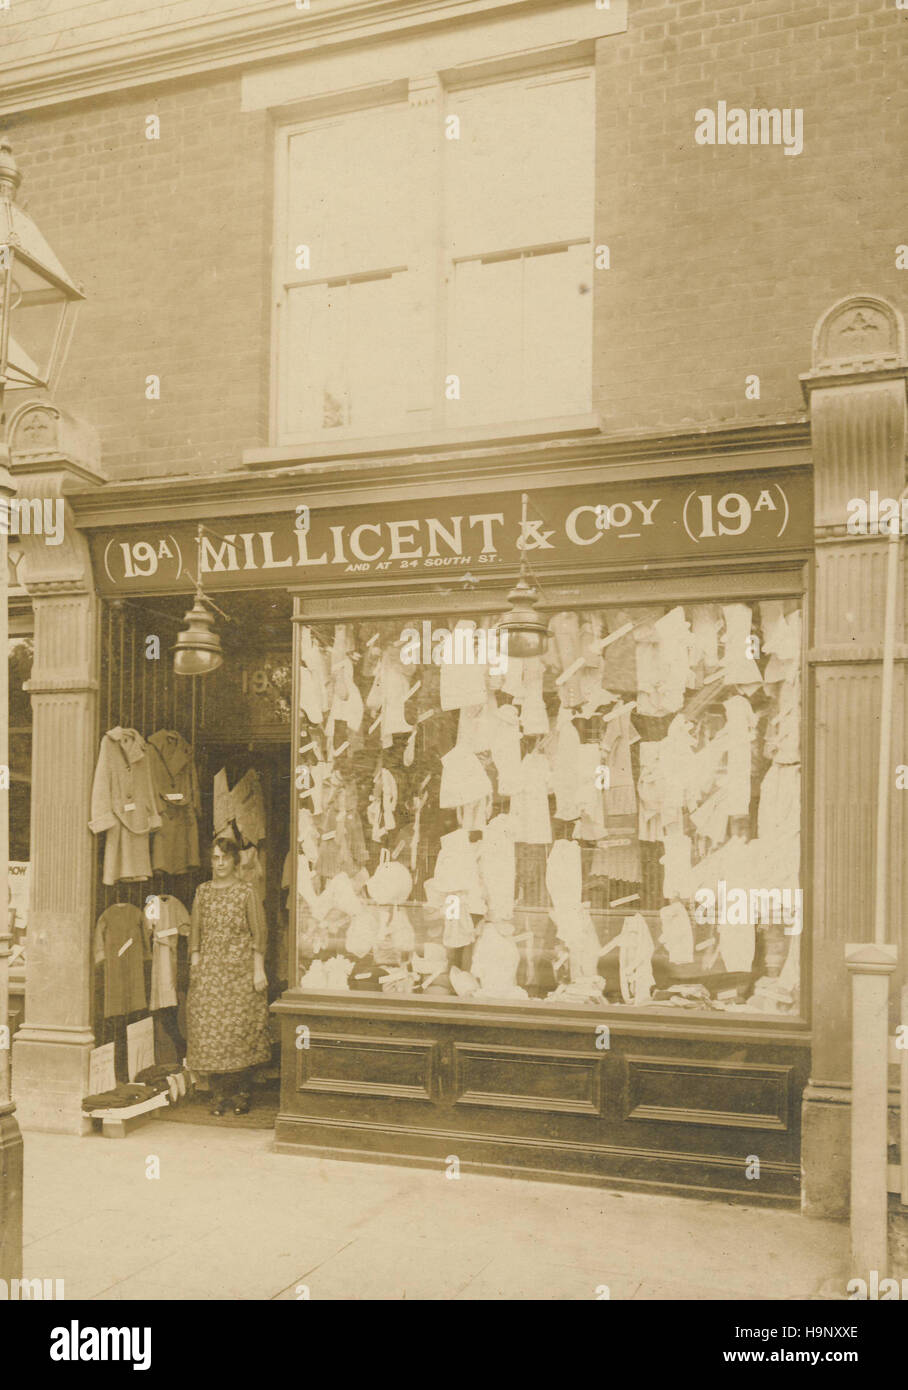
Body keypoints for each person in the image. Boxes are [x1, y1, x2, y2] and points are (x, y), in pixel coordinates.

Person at [187, 834, 271, 1116]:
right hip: (211, 974)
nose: (220, 863)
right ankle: (219, 1095)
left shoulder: (246, 892)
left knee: (239, 1032)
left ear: (235, 861)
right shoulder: (203, 891)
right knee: (209, 1033)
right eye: (215, 858)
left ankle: (241, 1093)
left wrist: (258, 969)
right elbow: (195, 928)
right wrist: (196, 961)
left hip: (239, 973)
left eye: (225, 858)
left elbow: (258, 931)